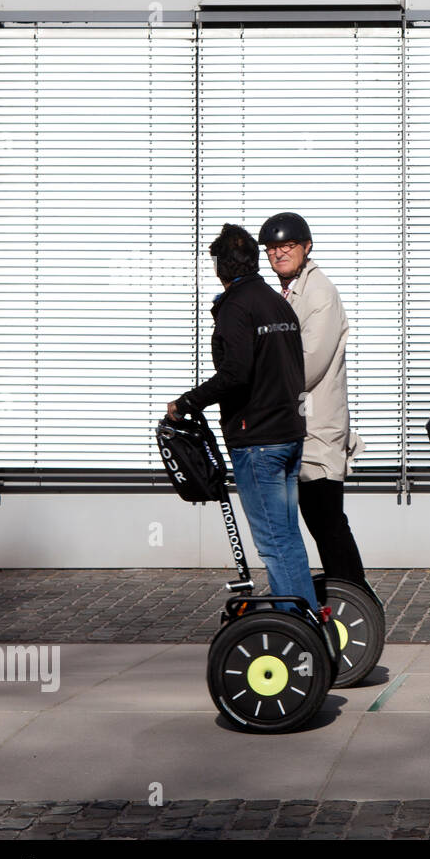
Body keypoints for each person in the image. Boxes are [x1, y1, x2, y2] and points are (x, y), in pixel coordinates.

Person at [167, 223, 320, 615]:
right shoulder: (276, 302)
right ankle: (307, 617)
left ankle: (297, 627)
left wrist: (187, 402)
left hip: (258, 442)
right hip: (288, 434)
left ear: (222, 266)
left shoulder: (237, 307)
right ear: (253, 261)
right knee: (287, 537)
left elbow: (236, 373)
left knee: (272, 541)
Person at [258, 212, 368, 589]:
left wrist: (257, 388)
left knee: (328, 520)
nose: (278, 254)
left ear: (306, 248)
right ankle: (348, 595)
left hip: (318, 428)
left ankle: (355, 597)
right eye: (272, 249)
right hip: (299, 426)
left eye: (287, 246)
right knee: (321, 521)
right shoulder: (290, 292)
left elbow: (307, 365)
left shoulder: (319, 293)